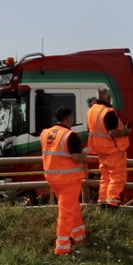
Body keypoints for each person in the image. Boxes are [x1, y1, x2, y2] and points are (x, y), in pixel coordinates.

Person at [40, 106, 87, 255]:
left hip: (53, 178)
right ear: (68, 118)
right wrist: (84, 153)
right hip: (68, 180)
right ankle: (62, 248)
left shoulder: (45, 133)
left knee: (72, 207)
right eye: (71, 118)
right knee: (66, 213)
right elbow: (76, 157)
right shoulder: (70, 135)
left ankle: (80, 238)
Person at [86, 87, 130, 209]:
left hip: (100, 150)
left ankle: (103, 202)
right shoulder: (108, 112)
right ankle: (112, 204)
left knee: (105, 177)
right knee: (117, 177)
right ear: (107, 97)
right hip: (113, 150)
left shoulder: (91, 111)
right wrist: (125, 132)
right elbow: (113, 133)